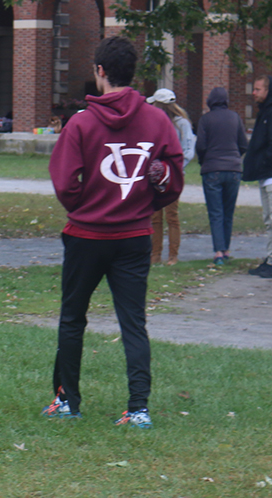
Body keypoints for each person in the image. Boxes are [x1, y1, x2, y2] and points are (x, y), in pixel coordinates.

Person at [43, 36, 183, 429]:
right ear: (132, 72)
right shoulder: (158, 121)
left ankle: (67, 401)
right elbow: (172, 180)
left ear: (100, 72)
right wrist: (145, 203)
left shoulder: (82, 123)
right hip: (135, 237)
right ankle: (138, 408)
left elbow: (65, 183)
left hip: (86, 235)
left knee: (73, 317)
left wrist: (86, 209)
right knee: (133, 321)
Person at [196, 87, 247, 266]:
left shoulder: (206, 119)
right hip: (233, 169)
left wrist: (204, 161)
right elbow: (243, 144)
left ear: (211, 100)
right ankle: (226, 249)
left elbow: (201, 146)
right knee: (228, 212)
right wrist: (234, 158)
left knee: (216, 212)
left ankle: (218, 252)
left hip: (212, 169)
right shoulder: (235, 117)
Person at [147, 88, 195, 265]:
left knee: (172, 215)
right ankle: (155, 255)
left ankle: (173, 255)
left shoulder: (181, 123)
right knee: (155, 216)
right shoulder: (154, 122)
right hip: (156, 175)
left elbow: (188, 149)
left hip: (173, 175)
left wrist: (175, 169)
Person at [243, 75, 272, 279]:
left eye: (258, 89)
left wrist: (264, 162)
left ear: (268, 90)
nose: (254, 93)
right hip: (267, 175)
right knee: (269, 218)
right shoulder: (266, 112)